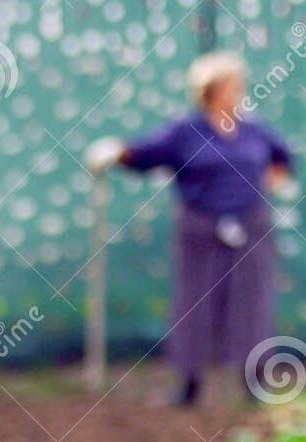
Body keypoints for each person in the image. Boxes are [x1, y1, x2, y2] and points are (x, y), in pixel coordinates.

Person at [87, 53, 294, 405]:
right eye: (229, 85)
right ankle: (188, 385)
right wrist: (117, 153)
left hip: (251, 226)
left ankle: (255, 384)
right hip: (200, 228)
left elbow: (283, 157)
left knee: (252, 303)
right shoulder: (185, 131)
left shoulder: (254, 129)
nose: (236, 91)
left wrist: (271, 182)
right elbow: (145, 153)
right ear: (211, 90)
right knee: (194, 304)